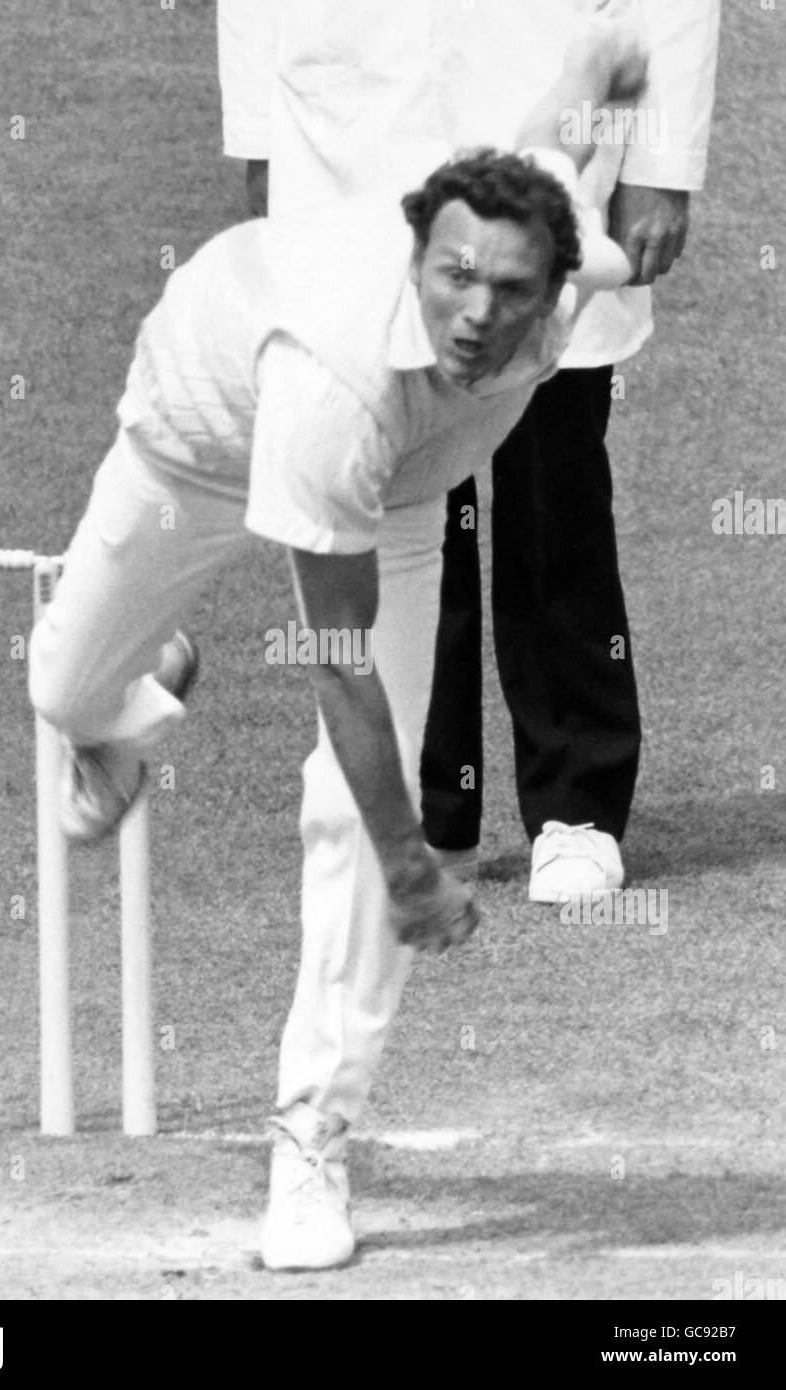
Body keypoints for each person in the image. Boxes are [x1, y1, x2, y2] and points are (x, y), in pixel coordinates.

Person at [30, 18, 643, 1270]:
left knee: (350, 814)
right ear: (417, 253)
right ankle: (134, 697)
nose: (479, 317)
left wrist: (597, 72)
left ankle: (310, 1143)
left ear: (552, 288)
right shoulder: (341, 366)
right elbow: (336, 654)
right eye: (454, 279)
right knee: (63, 685)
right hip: (191, 443)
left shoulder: (553, 273)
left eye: (511, 292)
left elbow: (546, 154)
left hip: (402, 506)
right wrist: (422, 862)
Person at [217, 0, 720, 902]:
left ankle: (577, 803)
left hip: (548, 78)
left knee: (550, 476)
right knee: (393, 466)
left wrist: (662, 155)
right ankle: (417, 798)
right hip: (352, 120)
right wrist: (257, 123)